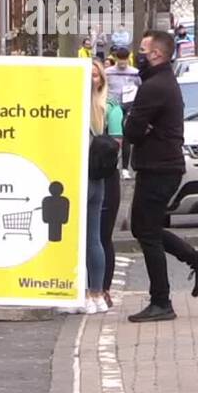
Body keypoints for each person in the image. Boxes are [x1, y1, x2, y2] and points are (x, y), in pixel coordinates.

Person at [125, 30, 198, 322]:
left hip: (158, 168)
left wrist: (140, 126)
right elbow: (139, 128)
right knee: (145, 228)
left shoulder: (154, 86)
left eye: (142, 49)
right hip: (161, 166)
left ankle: (162, 301)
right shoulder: (162, 82)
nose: (137, 54)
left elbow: (131, 131)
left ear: (156, 54)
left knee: (146, 231)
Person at [83, 60, 114, 315]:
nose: (92, 79)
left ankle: (83, 294)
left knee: (79, 240)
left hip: (81, 177)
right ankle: (98, 293)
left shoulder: (78, 107)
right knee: (94, 239)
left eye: (94, 75)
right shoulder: (108, 106)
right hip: (99, 179)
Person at [99, 69, 125, 310]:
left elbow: (115, 146)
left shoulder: (111, 108)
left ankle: (104, 289)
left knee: (103, 236)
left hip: (105, 178)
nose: (91, 80)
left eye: (96, 76)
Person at [105, 47, 140, 179]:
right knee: (111, 137)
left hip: (127, 106)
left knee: (125, 138)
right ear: (116, 59)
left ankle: (125, 168)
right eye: (120, 60)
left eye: (124, 60)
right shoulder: (108, 72)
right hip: (112, 106)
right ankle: (111, 164)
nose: (122, 63)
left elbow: (140, 87)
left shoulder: (134, 73)